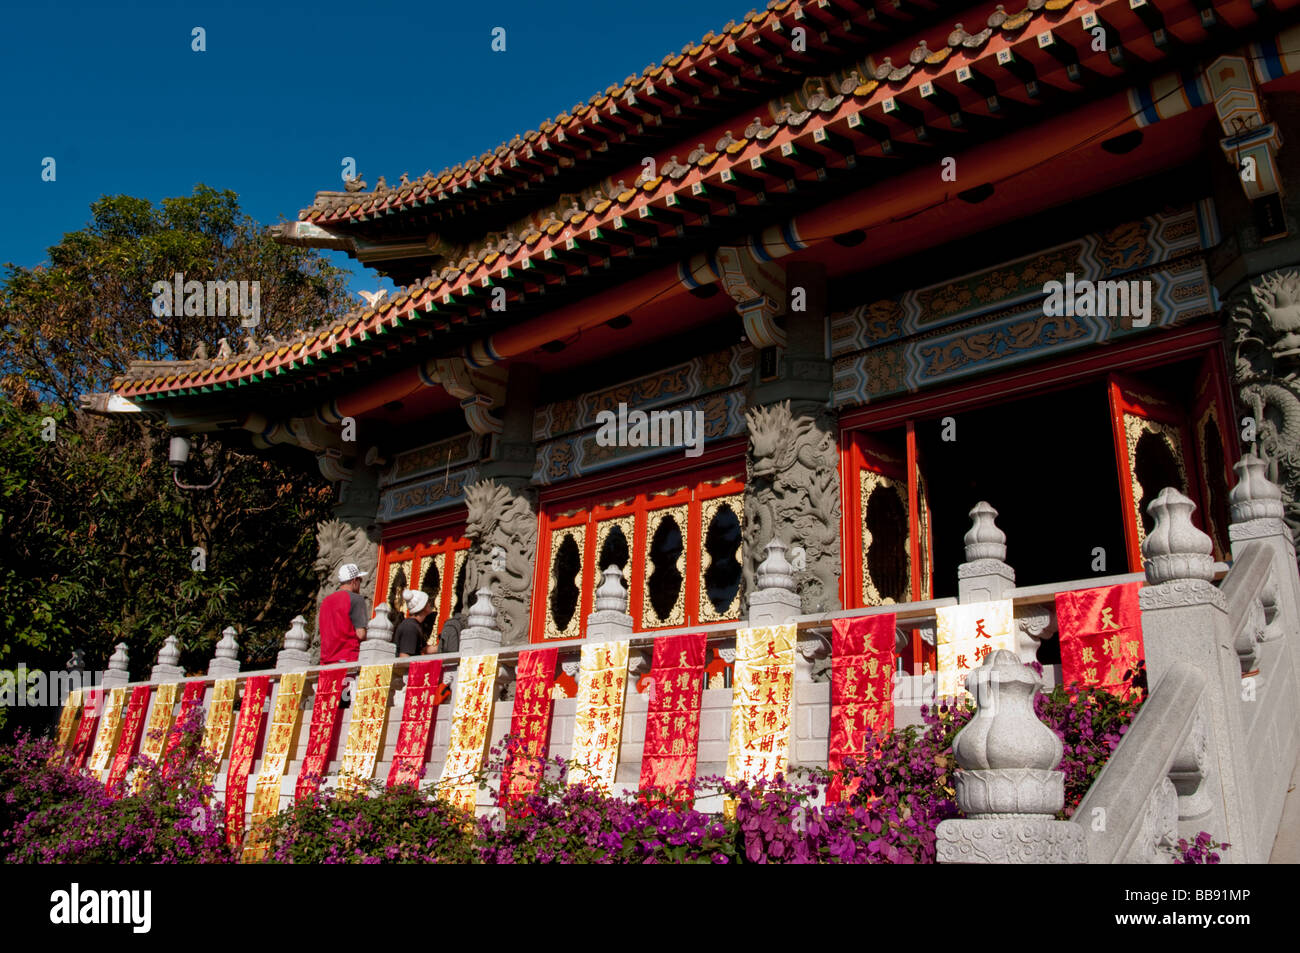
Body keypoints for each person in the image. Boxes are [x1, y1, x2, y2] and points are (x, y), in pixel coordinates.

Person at [319, 563, 369, 664]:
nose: (360, 584)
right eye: (360, 580)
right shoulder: (356, 599)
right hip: (348, 658)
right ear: (354, 581)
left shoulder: (325, 601)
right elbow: (361, 634)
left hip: (326, 661)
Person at [395, 589, 434, 658]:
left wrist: (445, 646)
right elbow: (404, 657)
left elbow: (425, 649)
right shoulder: (410, 627)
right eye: (428, 602)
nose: (430, 604)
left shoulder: (416, 625)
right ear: (423, 606)